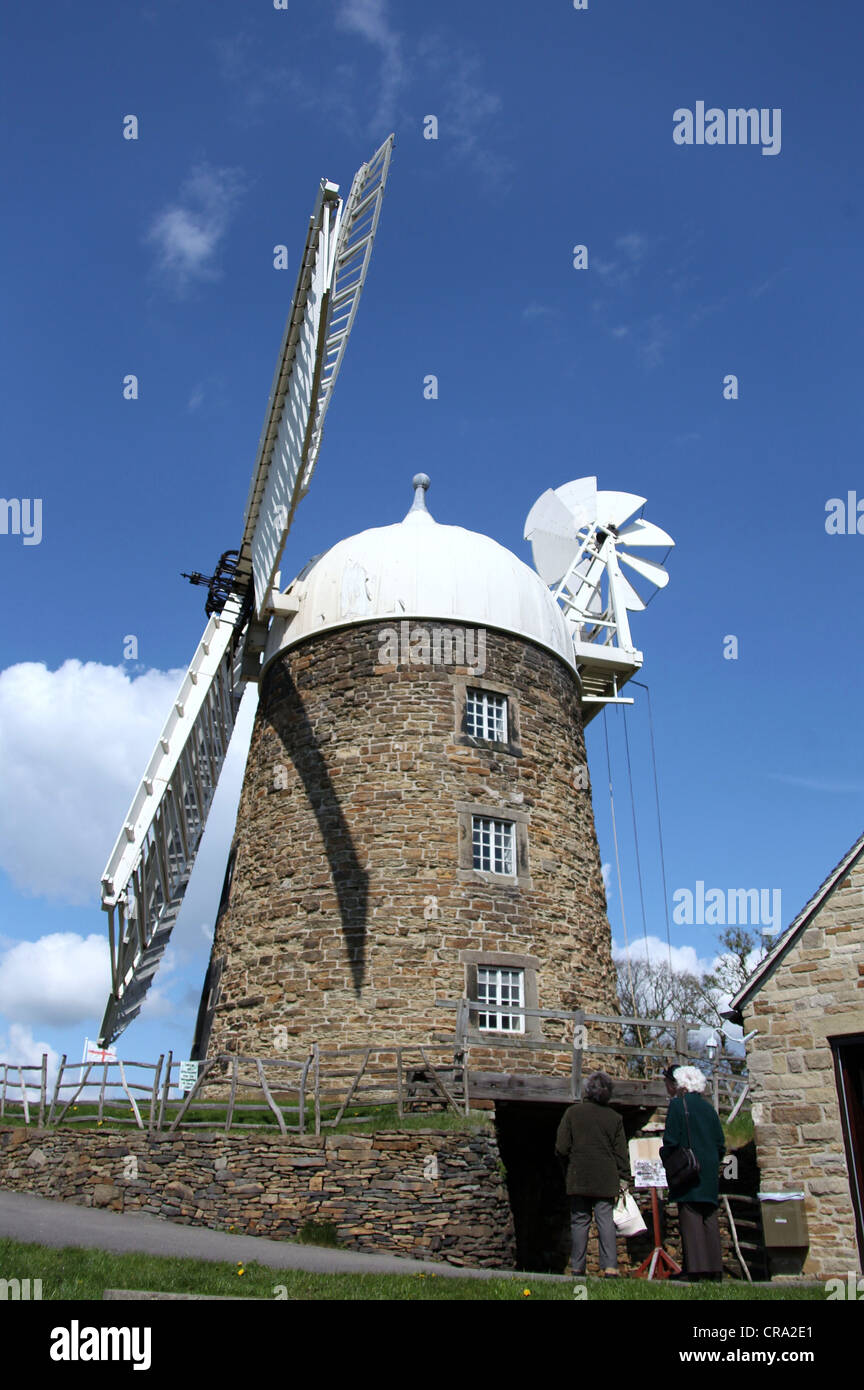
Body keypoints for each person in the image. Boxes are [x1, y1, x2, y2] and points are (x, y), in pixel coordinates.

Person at [555, 1070, 630, 1277]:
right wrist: (624, 1177)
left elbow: (561, 1147)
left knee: (580, 1221)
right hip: (606, 1178)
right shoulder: (614, 1118)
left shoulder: (572, 1113)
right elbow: (620, 1152)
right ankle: (611, 1267)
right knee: (605, 1221)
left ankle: (578, 1267)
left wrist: (567, 1169)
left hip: (579, 1175)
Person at [662, 1064, 726, 1281]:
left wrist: (667, 1158)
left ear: (680, 1084)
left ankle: (696, 1269)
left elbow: (670, 1141)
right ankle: (715, 1269)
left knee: (690, 1215)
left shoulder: (678, 1106)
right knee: (709, 1215)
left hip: (689, 1167)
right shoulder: (709, 1109)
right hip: (708, 1168)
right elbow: (720, 1143)